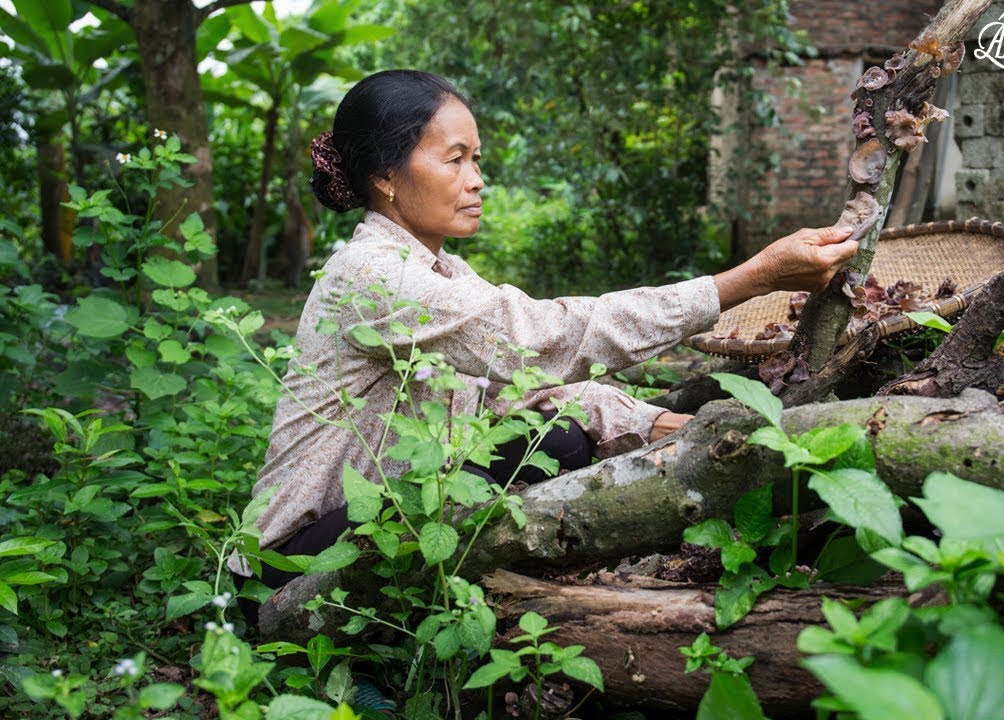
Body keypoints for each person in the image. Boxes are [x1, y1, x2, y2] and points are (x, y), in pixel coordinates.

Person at [230, 69, 861, 619]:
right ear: (386, 178)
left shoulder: (440, 272)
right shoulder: (371, 274)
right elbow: (543, 342)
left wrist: (658, 424)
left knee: (554, 429)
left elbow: (523, 389)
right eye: (455, 159)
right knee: (552, 444)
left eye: (476, 160)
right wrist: (742, 282)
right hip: (290, 562)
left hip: (371, 528)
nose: (476, 180)